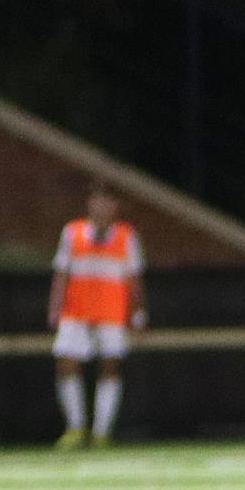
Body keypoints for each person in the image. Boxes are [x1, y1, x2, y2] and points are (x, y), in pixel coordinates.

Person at [49, 184, 146, 449]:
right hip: (77, 311)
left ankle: (102, 431)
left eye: (108, 202)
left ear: (115, 206)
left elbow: (134, 279)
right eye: (97, 201)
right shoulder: (72, 232)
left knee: (110, 367)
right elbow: (61, 272)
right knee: (66, 363)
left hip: (111, 314)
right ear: (90, 204)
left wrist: (138, 313)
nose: (102, 207)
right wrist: (55, 307)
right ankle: (76, 428)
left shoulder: (126, 236)